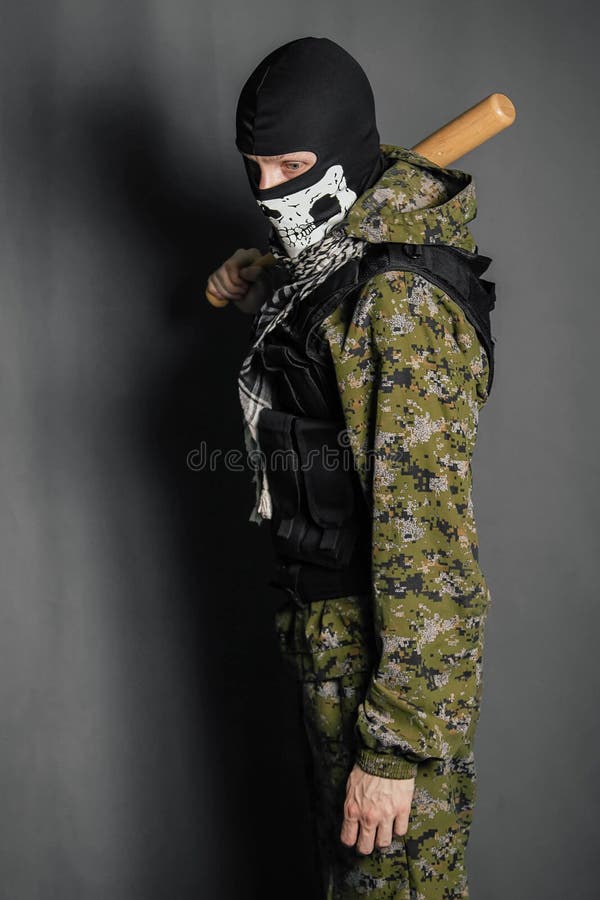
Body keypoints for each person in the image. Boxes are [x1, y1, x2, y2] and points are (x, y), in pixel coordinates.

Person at [208, 36, 494, 899]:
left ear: (343, 157)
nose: (269, 194)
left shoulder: (397, 303)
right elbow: (322, 374)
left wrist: (398, 748)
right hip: (326, 651)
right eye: (254, 170)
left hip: (387, 675)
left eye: (290, 166)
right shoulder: (337, 271)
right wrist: (267, 288)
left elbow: (428, 544)